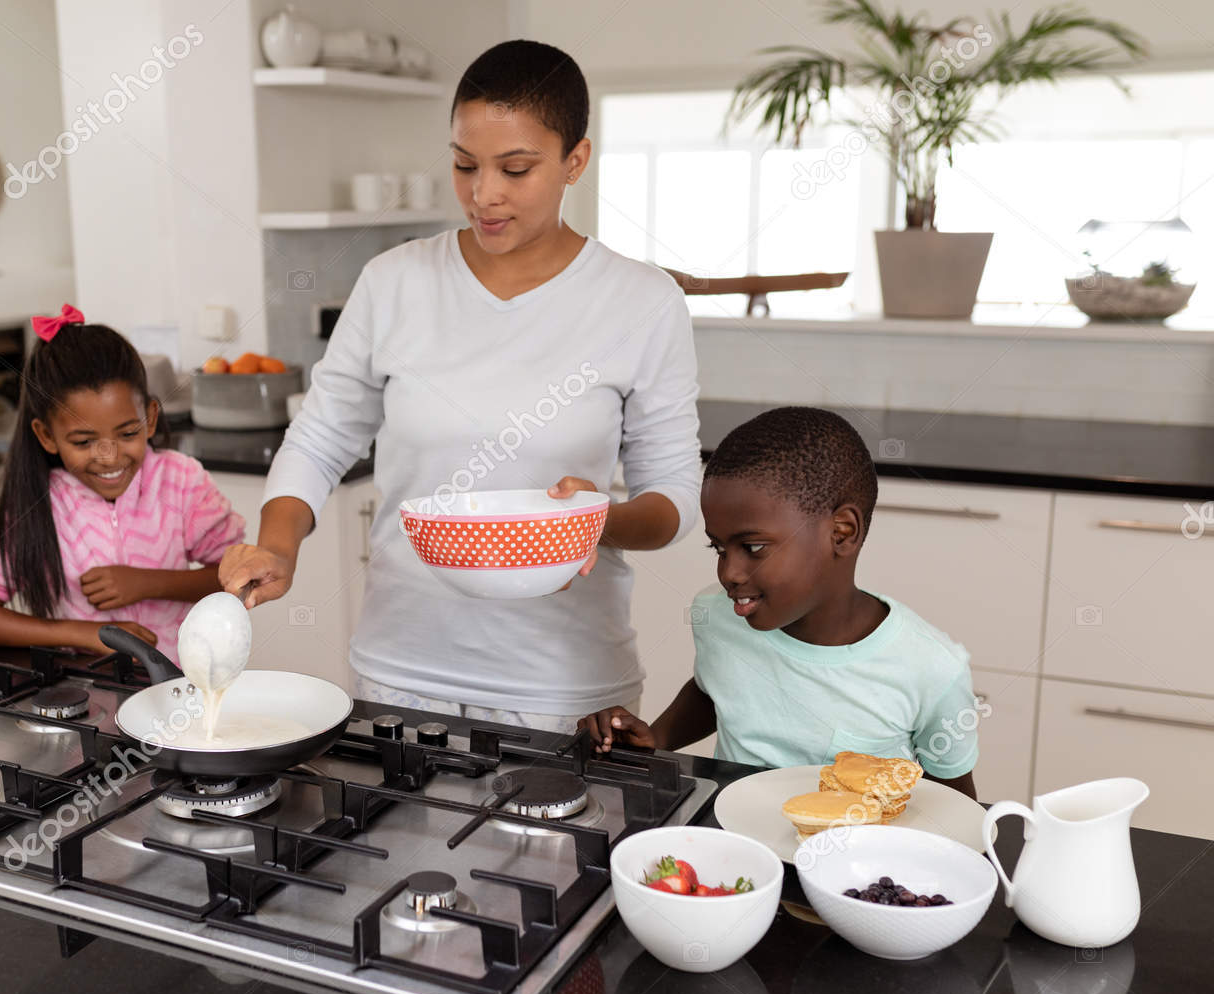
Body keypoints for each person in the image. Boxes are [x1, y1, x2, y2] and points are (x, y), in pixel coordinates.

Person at [219, 40, 702, 732]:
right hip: (400, 674)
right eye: (464, 164)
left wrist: (592, 521)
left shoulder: (641, 300)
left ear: (575, 160)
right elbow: (321, 437)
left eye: (516, 168)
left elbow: (675, 496)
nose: (484, 194)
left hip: (564, 684)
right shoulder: (394, 282)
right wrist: (278, 544)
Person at [580, 407, 979, 798]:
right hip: (737, 850)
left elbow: (957, 808)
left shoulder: (932, 668)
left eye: (753, 547)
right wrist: (657, 737)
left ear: (842, 533)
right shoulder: (719, 617)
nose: (730, 573)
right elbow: (713, 689)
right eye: (719, 547)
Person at [0, 306, 244, 662]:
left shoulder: (182, 481)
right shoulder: (37, 501)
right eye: (83, 442)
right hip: (87, 694)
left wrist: (146, 583)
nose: (108, 456)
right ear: (47, 436)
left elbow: (234, 576)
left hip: (181, 686)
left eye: (127, 433)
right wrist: (85, 634)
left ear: (150, 418)